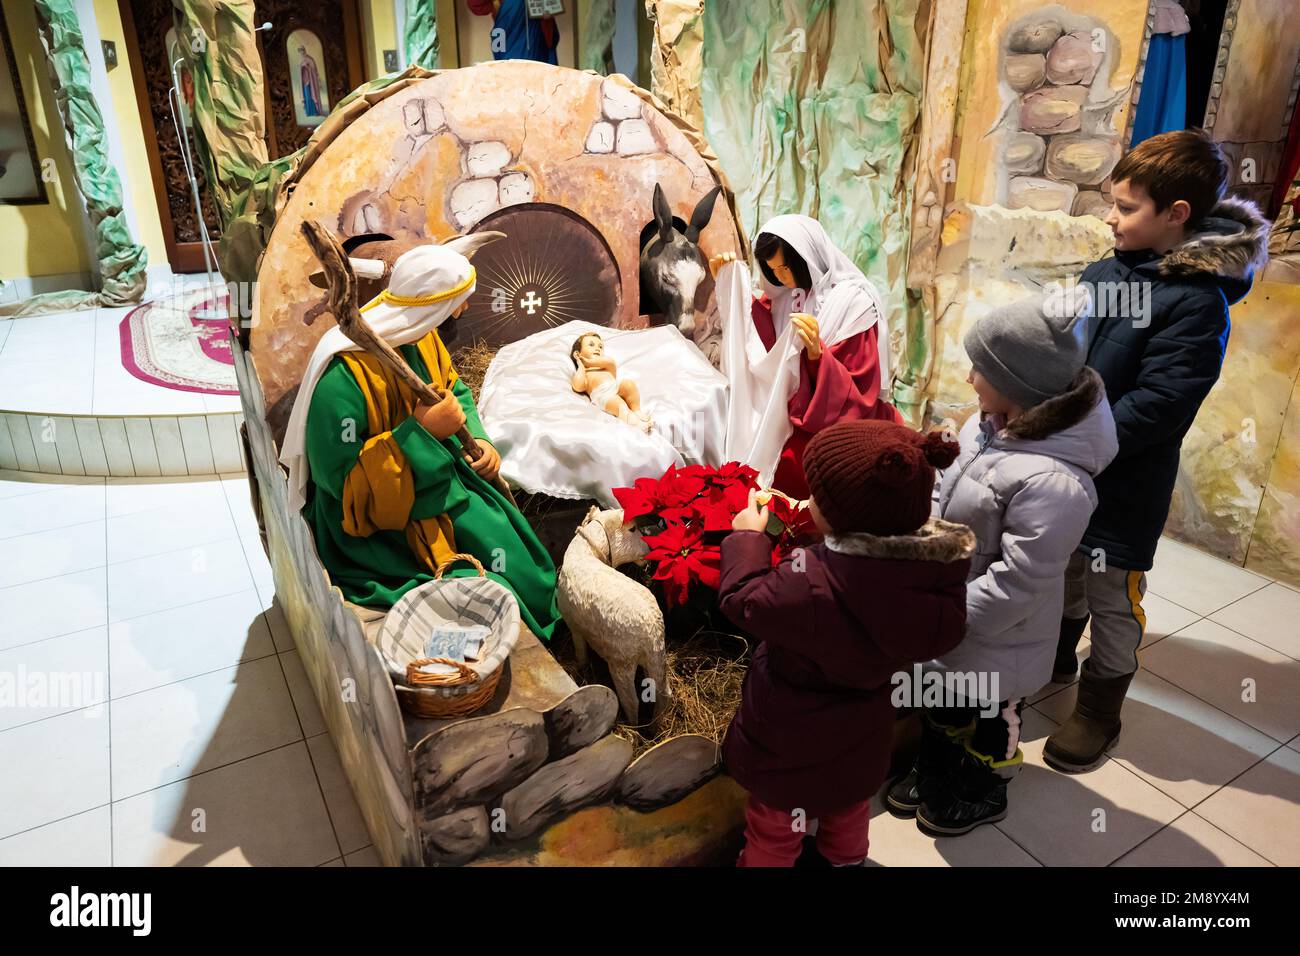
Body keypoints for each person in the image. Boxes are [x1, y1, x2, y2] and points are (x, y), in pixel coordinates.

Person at [1045, 129, 1271, 773]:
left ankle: (1097, 709)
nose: (1109, 218)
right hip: (1069, 466)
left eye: (1124, 208)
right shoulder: (1102, 272)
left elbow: (1164, 401)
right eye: (1111, 203)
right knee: (1062, 565)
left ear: (1176, 216)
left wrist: (1078, 438)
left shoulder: (1197, 304)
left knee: (1110, 590)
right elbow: (1064, 349)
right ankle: (1056, 654)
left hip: (1125, 482)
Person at [886, 288, 1118, 835]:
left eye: (980, 368)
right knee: (942, 706)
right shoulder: (987, 425)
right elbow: (950, 488)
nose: (969, 378)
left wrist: (948, 614)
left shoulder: (1055, 482)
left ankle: (983, 787)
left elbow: (1019, 582)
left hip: (996, 637)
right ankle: (938, 767)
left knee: (989, 719)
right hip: (951, 617)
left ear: (1019, 386)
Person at [718, 419, 973, 866]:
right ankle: (846, 862)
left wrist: (747, 538)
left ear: (838, 516)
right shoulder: (930, 579)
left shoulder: (810, 585)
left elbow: (743, 601)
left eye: (818, 495)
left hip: (790, 741)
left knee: (776, 829)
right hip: (863, 735)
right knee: (848, 810)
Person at [279, 240, 561, 640]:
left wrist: (479, 440)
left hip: (440, 478)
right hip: (385, 520)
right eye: (456, 305)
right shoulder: (341, 378)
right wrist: (419, 433)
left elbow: (454, 389)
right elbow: (343, 486)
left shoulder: (423, 336)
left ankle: (553, 629)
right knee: (485, 581)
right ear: (429, 307)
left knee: (515, 555)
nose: (462, 312)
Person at [711, 215, 901, 498]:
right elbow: (762, 338)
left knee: (791, 465)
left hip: (835, 416)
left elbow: (861, 384)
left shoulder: (854, 302)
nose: (781, 277)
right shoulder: (789, 295)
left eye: (785, 267)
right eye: (773, 270)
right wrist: (729, 283)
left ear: (806, 256)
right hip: (794, 407)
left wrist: (817, 356)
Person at [569, 332, 653, 432]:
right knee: (619, 405)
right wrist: (581, 364)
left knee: (629, 385)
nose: (597, 349)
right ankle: (636, 423)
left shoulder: (606, 366)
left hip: (614, 386)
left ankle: (636, 410)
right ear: (577, 354)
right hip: (602, 395)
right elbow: (577, 386)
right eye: (591, 345)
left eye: (600, 347)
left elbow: (610, 362)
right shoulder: (586, 374)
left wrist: (590, 362)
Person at [467, 0, 559, 65]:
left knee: (539, 76)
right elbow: (476, 6)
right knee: (504, 71)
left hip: (537, 35)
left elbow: (549, 11)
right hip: (505, 33)